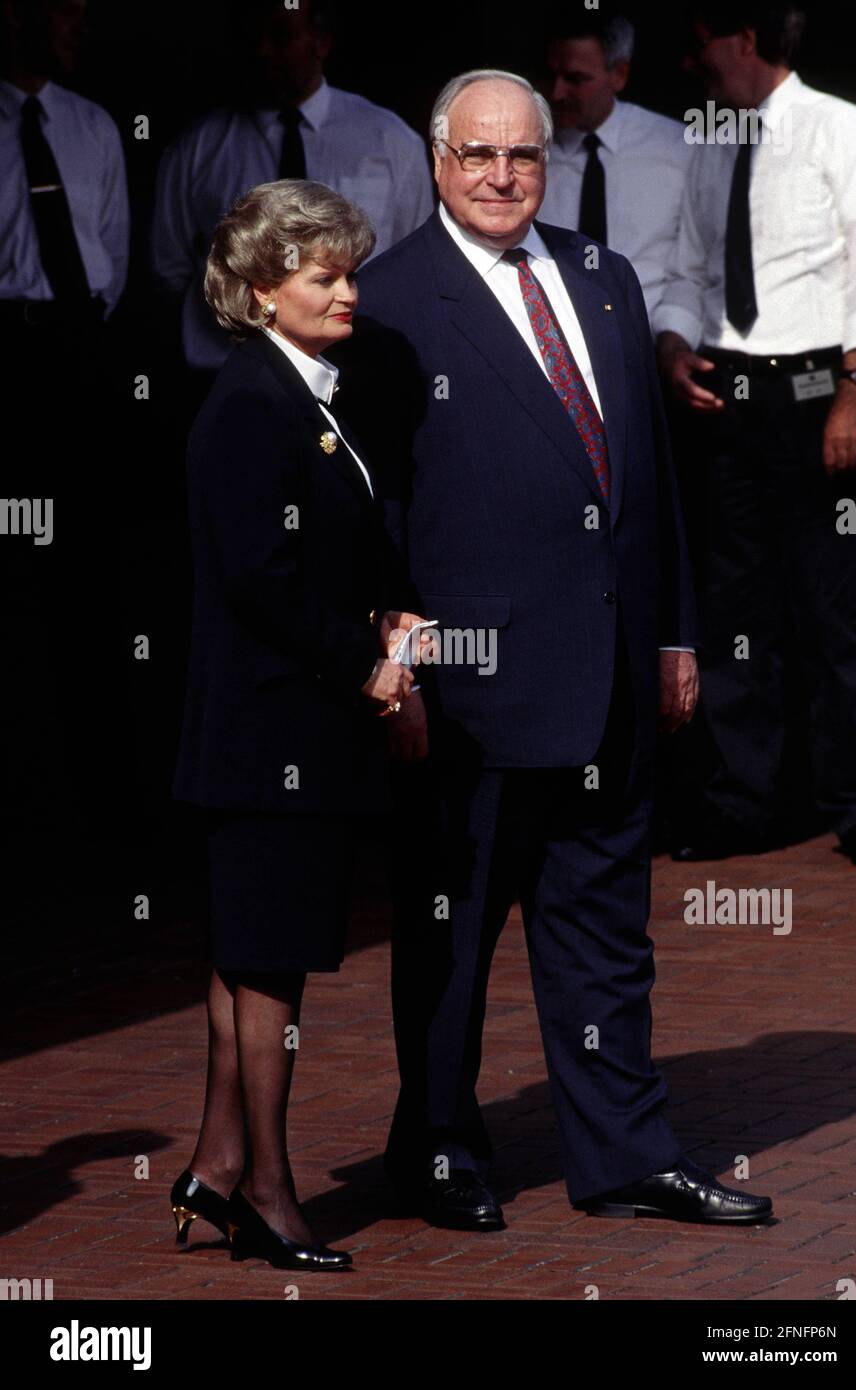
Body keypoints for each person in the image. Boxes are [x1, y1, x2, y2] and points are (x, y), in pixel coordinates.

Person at [335, 69, 773, 1230]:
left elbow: (646, 480)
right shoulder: (382, 303)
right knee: (451, 933)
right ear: (435, 161)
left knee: (603, 936)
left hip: (612, 675)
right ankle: (433, 1148)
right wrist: (394, 659)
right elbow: (370, 512)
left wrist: (674, 631)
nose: (499, 177)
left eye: (520, 156)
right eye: (476, 155)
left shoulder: (603, 277)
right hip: (470, 690)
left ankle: (626, 1153)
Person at [169, 179, 430, 1271]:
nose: (346, 294)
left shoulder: (310, 395)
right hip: (266, 731)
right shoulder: (251, 400)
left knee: (250, 960)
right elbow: (259, 581)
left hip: (289, 726)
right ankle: (271, 1193)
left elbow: (321, 556)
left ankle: (215, 1171)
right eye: (321, 277)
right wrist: (365, 661)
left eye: (348, 272)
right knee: (265, 965)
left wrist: (383, 612)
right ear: (258, 289)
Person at [655, 3, 856, 868]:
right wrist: (673, 345)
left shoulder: (838, 128)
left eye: (698, 42)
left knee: (834, 607)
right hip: (728, 389)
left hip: (818, 385)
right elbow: (687, 269)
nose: (690, 63)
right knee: (734, 611)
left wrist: (855, 393)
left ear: (745, 40)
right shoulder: (710, 141)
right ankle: (742, 803)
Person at [0, 0, 129, 833]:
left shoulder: (94, 127)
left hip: (78, 360)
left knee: (89, 568)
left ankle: (95, 799)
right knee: (14, 564)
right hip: (4, 360)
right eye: (64, 4)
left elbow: (113, 255)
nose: (81, 19)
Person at [150, 0, 433, 378]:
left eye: (281, 35)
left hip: (360, 373)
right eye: (255, 36)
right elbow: (169, 270)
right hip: (225, 372)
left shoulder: (391, 141)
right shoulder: (198, 148)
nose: (263, 50)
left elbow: (413, 265)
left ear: (321, 41)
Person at [539, 11, 692, 322]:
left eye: (575, 79)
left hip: (652, 347)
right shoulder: (523, 152)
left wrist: (675, 338)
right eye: (551, 75)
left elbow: (696, 268)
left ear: (619, 74)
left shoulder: (680, 148)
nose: (556, 93)